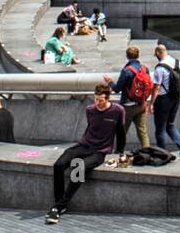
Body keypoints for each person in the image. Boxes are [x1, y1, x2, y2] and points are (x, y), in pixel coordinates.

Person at [46, 83, 126, 224]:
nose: (97, 103)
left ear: (108, 99)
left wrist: (121, 153)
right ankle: (59, 203)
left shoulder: (118, 111)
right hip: (84, 145)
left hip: (100, 151)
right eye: (95, 99)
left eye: (101, 100)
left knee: (79, 167)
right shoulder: (90, 109)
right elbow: (90, 127)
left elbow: (121, 132)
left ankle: (58, 208)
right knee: (59, 164)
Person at [105, 46, 152, 151]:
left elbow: (117, 89)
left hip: (128, 106)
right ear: (138, 55)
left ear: (127, 56)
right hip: (141, 104)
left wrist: (110, 82)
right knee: (143, 131)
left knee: (122, 130)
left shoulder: (126, 71)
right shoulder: (145, 68)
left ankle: (119, 152)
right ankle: (148, 152)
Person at [148, 44, 180, 158]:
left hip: (163, 100)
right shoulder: (177, 62)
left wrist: (151, 103)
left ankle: (163, 154)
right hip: (175, 97)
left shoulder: (159, 67)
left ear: (157, 53)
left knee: (160, 129)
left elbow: (156, 87)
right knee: (170, 124)